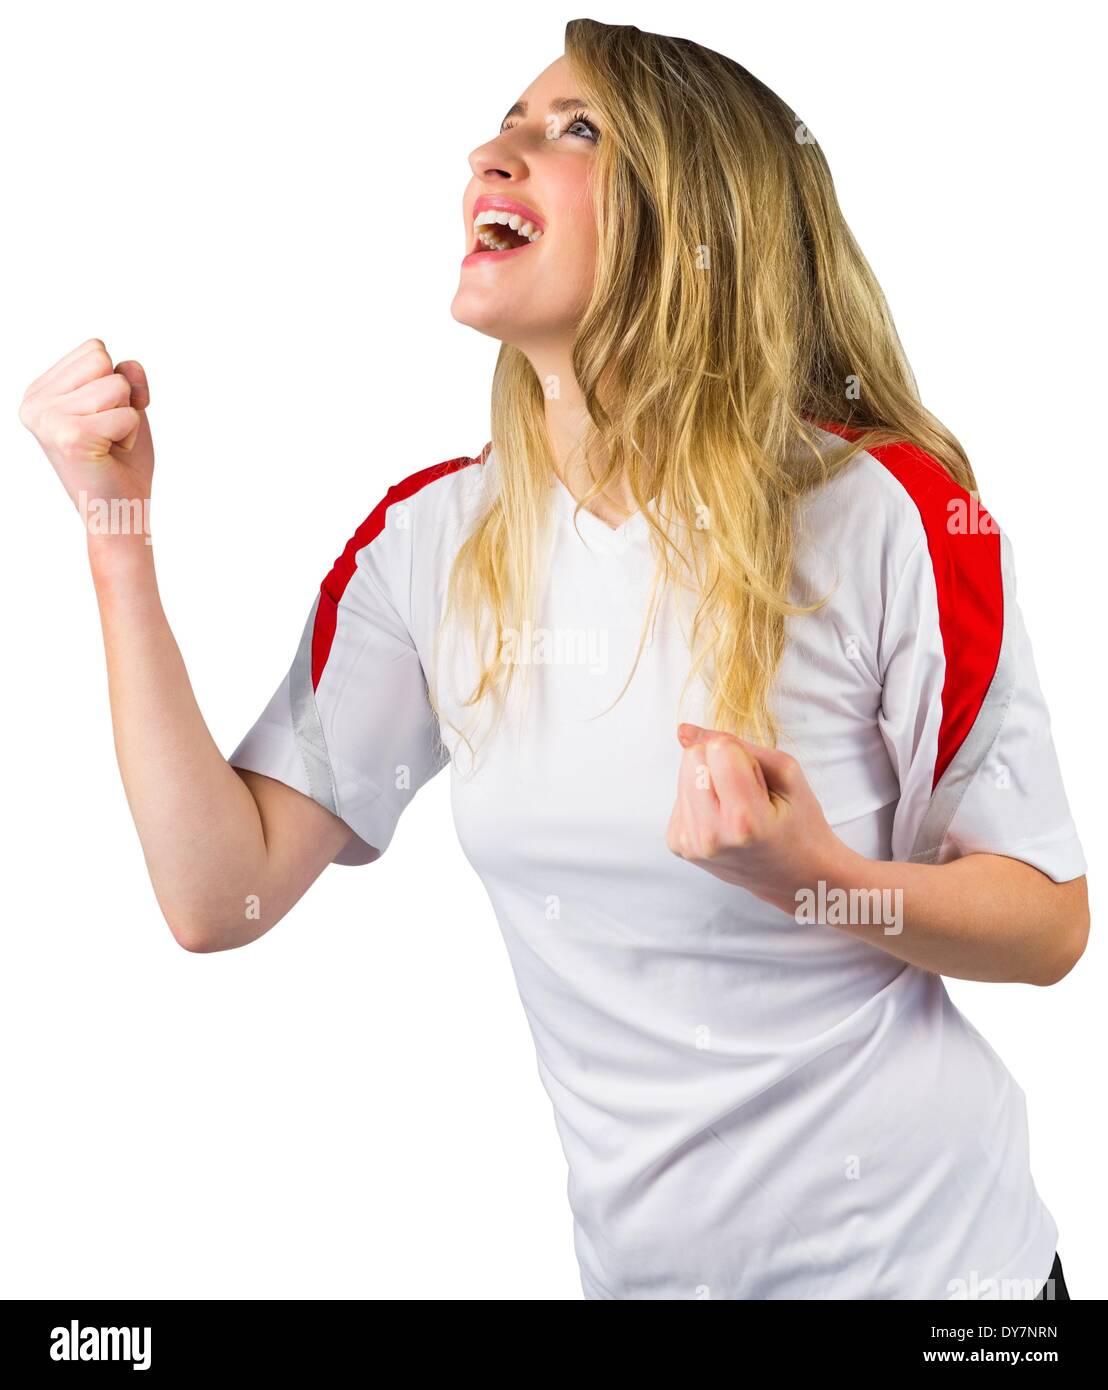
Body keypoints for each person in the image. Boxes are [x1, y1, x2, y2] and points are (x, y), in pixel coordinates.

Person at [19, 18, 1088, 1301]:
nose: (493, 152)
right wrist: (116, 538)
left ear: (701, 219)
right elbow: (218, 896)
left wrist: (815, 879)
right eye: (506, 122)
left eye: (571, 130)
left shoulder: (888, 515)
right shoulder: (429, 544)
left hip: (939, 1284)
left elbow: (1047, 924)